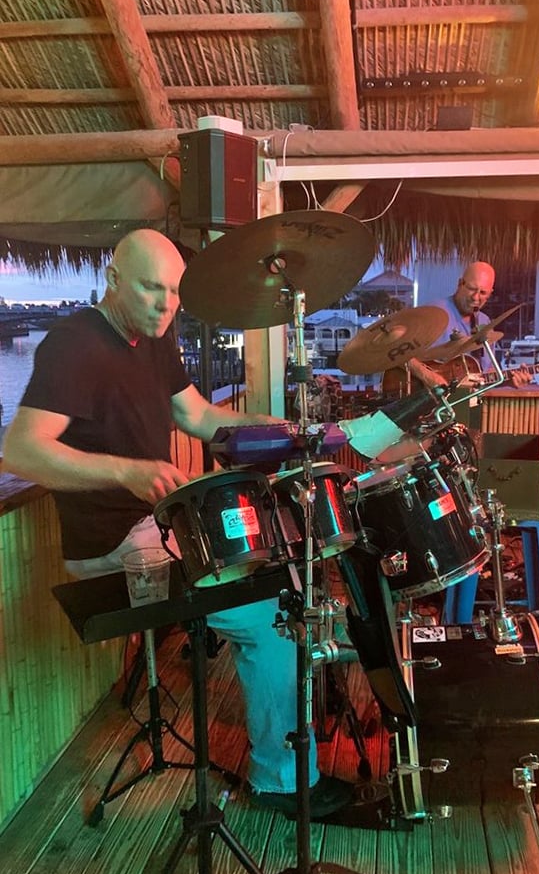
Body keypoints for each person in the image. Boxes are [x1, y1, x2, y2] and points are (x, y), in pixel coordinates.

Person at [2, 229, 353, 817]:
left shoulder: (153, 336)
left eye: (173, 292)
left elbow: (196, 414)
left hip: (159, 525)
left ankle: (296, 731)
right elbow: (21, 452)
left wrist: (267, 429)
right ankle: (284, 784)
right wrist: (125, 471)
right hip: (115, 542)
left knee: (287, 573)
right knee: (271, 620)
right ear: (113, 280)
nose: (165, 304)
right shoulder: (73, 344)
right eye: (149, 288)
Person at [408, 260, 530, 390]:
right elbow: (396, 355)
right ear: (460, 284)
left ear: (490, 294)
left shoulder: (485, 322)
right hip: (431, 403)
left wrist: (508, 381)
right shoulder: (433, 313)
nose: (476, 297)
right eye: (472, 289)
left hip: (469, 405)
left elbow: (484, 375)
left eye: (483, 293)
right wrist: (431, 378)